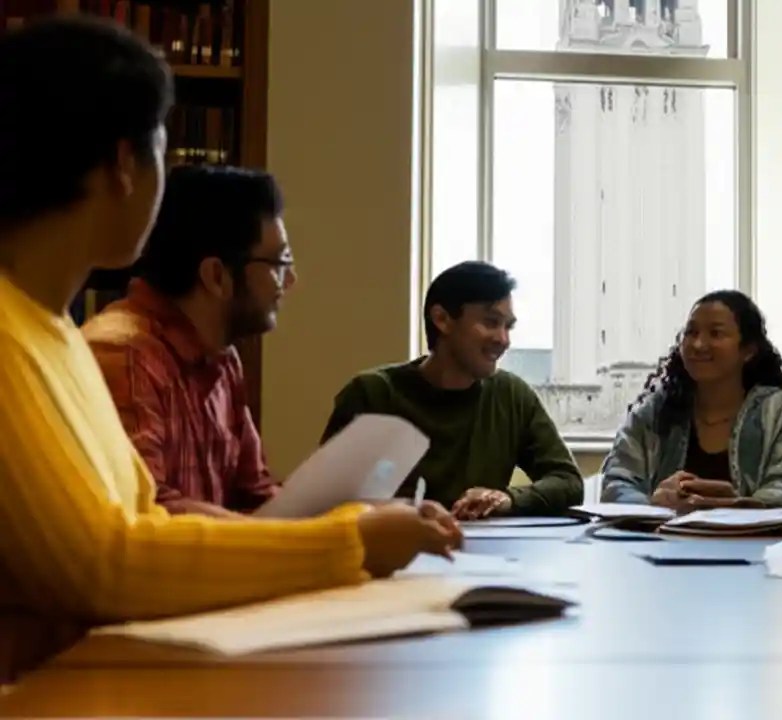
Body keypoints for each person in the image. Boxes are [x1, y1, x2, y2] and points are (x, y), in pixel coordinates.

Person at [0, 18, 459, 683]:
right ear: (125, 165)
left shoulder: (54, 335)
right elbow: (105, 565)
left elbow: (141, 523)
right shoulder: (22, 340)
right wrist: (349, 542)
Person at [82, 165, 293, 517]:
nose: (288, 281)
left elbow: (254, 496)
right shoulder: (124, 354)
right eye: (278, 263)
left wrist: (354, 515)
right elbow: (150, 515)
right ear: (215, 276)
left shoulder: (222, 358)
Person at [322, 261, 583, 520]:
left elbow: (568, 481)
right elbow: (327, 499)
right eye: (491, 322)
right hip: (391, 554)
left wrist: (506, 499)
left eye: (508, 326)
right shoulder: (372, 395)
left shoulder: (512, 395)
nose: (503, 339)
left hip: (483, 555)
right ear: (442, 319)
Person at [600, 290, 782, 509]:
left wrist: (730, 505)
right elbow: (617, 484)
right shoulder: (653, 412)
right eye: (691, 332)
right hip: (662, 540)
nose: (698, 344)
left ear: (748, 350)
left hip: (754, 541)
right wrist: (653, 504)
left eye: (715, 334)